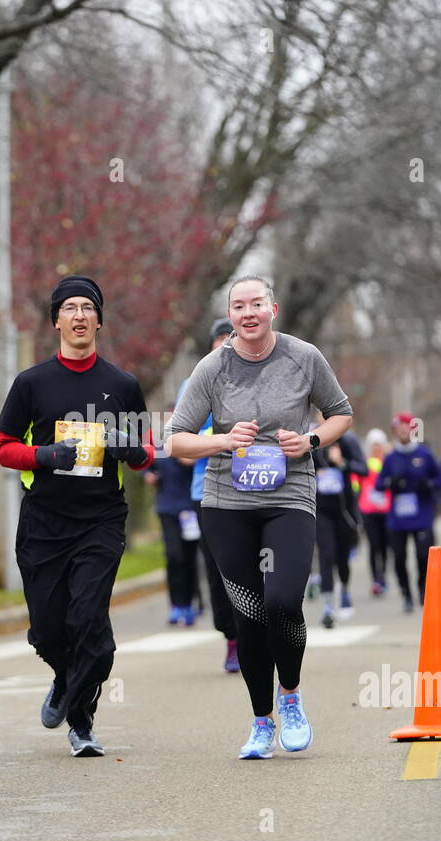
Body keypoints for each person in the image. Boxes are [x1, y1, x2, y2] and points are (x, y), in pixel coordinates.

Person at [166, 275, 352, 760]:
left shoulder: (304, 357)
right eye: (238, 306)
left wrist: (309, 441)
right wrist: (224, 441)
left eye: (256, 304)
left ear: (274, 308)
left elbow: (341, 414)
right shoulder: (212, 367)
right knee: (247, 614)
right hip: (227, 502)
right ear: (230, 314)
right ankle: (260, 722)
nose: (248, 313)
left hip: (290, 494)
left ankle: (290, 696)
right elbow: (177, 441)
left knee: (284, 601)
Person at [0, 275, 154, 758]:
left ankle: (82, 723)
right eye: (70, 308)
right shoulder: (31, 383)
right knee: (46, 629)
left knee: (89, 622)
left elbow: (147, 453)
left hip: (100, 520)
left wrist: (131, 448)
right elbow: (3, 449)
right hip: (44, 520)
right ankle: (64, 679)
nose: (79, 315)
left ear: (100, 320)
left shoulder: (122, 385)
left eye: (88, 307)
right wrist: (45, 457)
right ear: (56, 320)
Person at [186, 318, 241, 672]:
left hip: (257, 488)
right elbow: (180, 444)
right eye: (218, 340)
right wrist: (220, 441)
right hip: (207, 491)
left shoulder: (262, 380)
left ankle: (259, 632)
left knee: (255, 568)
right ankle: (232, 639)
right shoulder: (193, 384)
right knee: (219, 569)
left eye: (230, 340)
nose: (224, 346)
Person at [377, 411, 441, 613]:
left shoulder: (424, 455)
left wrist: (428, 485)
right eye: (398, 428)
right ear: (395, 432)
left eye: (406, 426)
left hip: (421, 515)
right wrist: (390, 483)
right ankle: (406, 594)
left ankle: (422, 589)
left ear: (412, 429)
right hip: (398, 518)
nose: (403, 431)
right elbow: (379, 484)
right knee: (398, 558)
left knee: (423, 556)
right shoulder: (390, 458)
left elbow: (440, 478)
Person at [312, 428, 367, 627]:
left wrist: (341, 463)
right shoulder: (313, 440)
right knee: (326, 554)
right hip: (321, 510)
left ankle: (344, 588)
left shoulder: (348, 441)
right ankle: (327, 606)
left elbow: (364, 469)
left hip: (344, 511)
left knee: (342, 556)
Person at [147, 448, 200, 627]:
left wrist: (186, 456)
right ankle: (176, 604)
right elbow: (147, 466)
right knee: (173, 556)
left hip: (190, 509)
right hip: (167, 509)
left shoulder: (192, 441)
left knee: (189, 559)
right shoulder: (161, 449)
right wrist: (148, 475)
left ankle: (189, 602)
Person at [358, 428, 391, 596]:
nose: (376, 448)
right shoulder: (365, 463)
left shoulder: (389, 462)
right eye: (373, 445)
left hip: (386, 511)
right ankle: (375, 580)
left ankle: (383, 576)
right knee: (373, 545)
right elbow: (356, 484)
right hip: (368, 510)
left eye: (379, 445)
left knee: (384, 546)